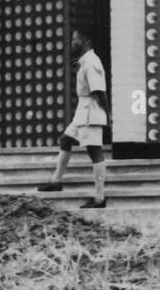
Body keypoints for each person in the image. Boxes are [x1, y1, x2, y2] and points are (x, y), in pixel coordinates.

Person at [38, 28, 109, 208]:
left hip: (91, 112)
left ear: (86, 42)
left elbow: (99, 91)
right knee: (65, 140)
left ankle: (100, 198)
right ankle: (56, 181)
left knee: (95, 153)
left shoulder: (92, 62)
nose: (71, 44)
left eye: (75, 40)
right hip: (82, 111)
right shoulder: (84, 61)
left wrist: (107, 114)